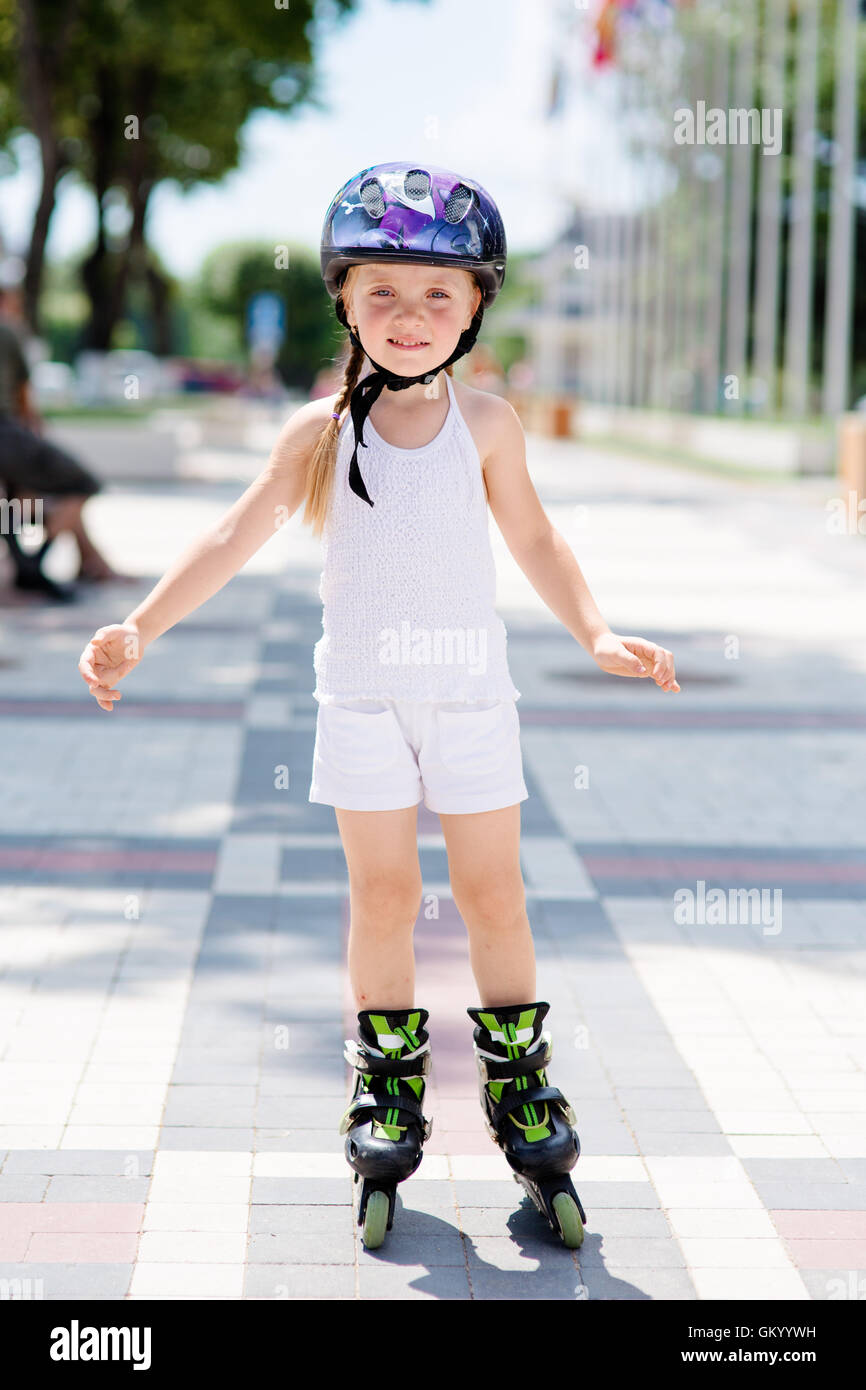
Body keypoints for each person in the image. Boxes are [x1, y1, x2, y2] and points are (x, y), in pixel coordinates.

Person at [78, 161, 679, 1251]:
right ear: (344, 300)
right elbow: (232, 534)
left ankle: (520, 1095)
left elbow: (535, 538)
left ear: (475, 306)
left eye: (437, 294)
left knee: (495, 895)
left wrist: (594, 630)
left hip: (469, 699)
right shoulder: (317, 432)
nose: (410, 316)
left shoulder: (487, 424)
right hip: (356, 702)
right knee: (383, 897)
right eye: (383, 293)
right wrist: (140, 628)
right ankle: (388, 1088)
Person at [0, 274, 130, 599]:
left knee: (17, 501)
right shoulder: (8, 329)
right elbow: (24, 395)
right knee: (83, 484)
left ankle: (86, 562)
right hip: (6, 433)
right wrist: (37, 435)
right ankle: (35, 562)